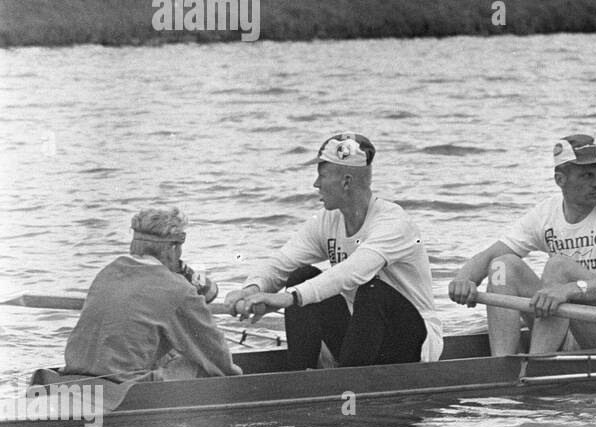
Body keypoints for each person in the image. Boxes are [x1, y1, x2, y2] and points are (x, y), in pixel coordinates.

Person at [227, 132, 443, 367]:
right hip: (362, 337)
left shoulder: (393, 223)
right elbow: (282, 263)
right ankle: (302, 380)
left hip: (413, 343)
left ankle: (346, 389)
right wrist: (250, 289)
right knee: (301, 275)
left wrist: (289, 298)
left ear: (347, 182)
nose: (315, 184)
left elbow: (351, 273)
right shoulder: (327, 221)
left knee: (371, 292)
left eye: (322, 175)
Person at [447, 133, 596, 356]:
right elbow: (490, 255)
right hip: (570, 325)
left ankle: (534, 364)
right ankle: (502, 363)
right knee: (501, 266)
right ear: (560, 180)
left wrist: (569, 290)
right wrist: (464, 279)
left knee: (558, 267)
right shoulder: (545, 213)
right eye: (586, 175)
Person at [63, 207, 241, 382]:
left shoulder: (107, 272)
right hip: (124, 388)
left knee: (168, 351)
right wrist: (237, 379)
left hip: (74, 378)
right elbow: (217, 356)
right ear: (172, 249)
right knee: (204, 365)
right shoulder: (176, 288)